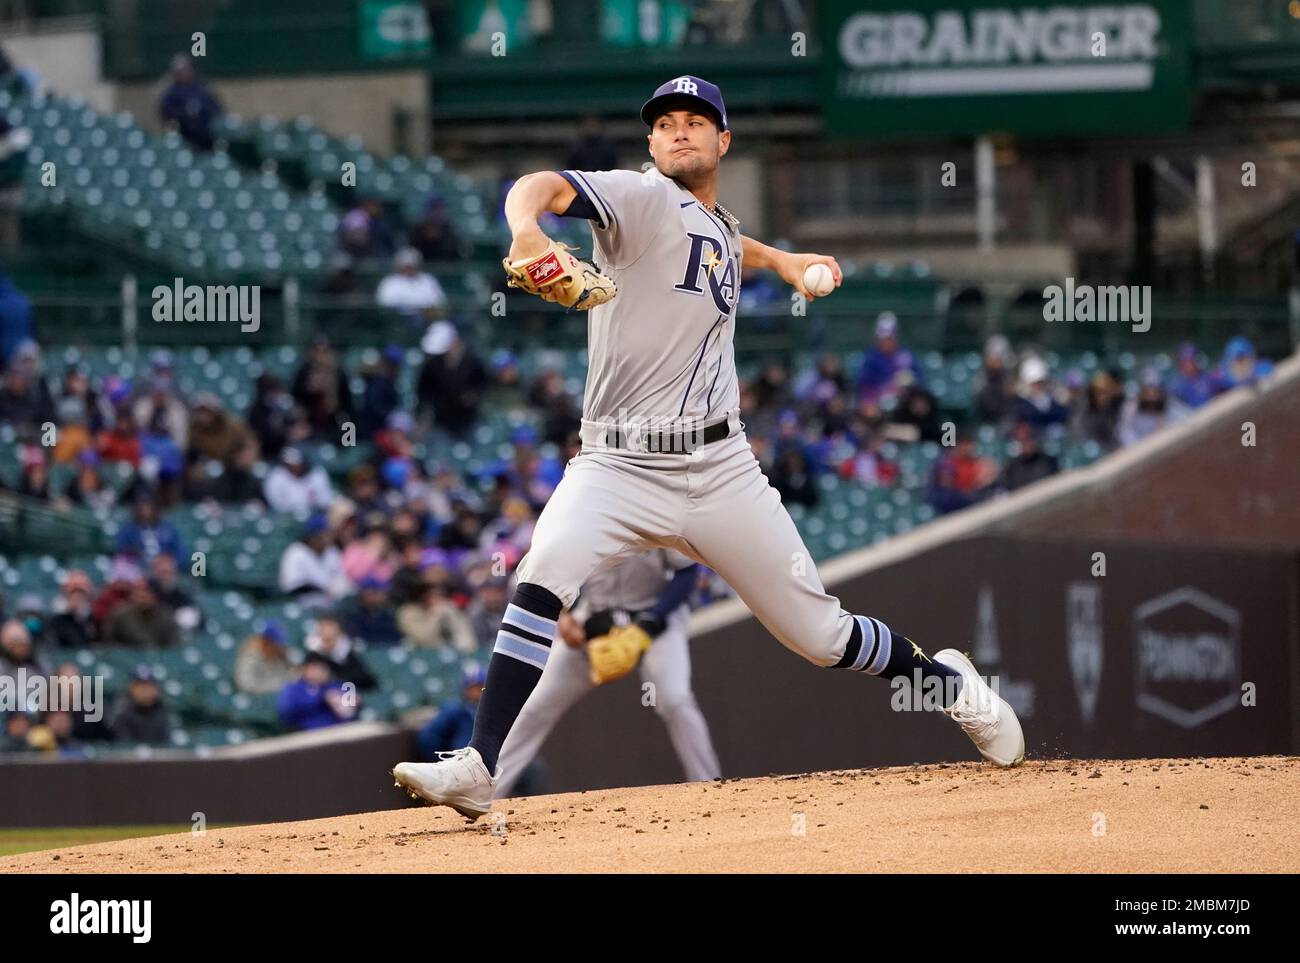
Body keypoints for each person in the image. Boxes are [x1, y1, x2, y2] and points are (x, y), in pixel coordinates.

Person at [391, 74, 1023, 821]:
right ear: (651, 145)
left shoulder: (712, 223)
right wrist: (527, 232)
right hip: (616, 464)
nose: (680, 130)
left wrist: (782, 260)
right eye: (665, 123)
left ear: (723, 140)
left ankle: (950, 685)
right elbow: (540, 187)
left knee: (819, 635)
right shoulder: (639, 196)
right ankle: (479, 763)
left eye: (697, 120)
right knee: (543, 568)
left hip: (719, 469)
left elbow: (724, 240)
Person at [494, 551, 720, 797]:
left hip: (655, 621)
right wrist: (563, 615)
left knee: (675, 699)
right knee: (534, 707)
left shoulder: (656, 514)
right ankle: (489, 794)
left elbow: (687, 572)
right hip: (594, 621)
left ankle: (710, 786)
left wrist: (651, 622)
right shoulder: (576, 516)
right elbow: (537, 572)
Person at [277, 654, 358, 731]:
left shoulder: (336, 685)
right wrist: (320, 698)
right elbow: (286, 713)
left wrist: (349, 702)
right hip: (309, 733)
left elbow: (350, 710)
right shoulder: (294, 688)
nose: (321, 672)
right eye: (315, 668)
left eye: (323, 668)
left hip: (342, 731)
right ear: (305, 670)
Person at [158, 55, 222, 151]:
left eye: (186, 69)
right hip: (185, 140)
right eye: (180, 71)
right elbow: (168, 116)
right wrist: (186, 113)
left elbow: (216, 109)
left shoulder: (202, 88)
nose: (184, 73)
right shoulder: (171, 94)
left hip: (208, 138)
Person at [376, 247, 448, 320]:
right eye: (406, 266)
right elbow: (385, 303)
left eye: (412, 265)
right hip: (400, 319)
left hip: (428, 317)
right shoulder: (389, 281)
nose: (409, 269)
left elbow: (439, 300)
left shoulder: (428, 279)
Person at [109, 667, 171, 745]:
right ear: (131, 688)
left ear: (156, 689)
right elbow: (124, 747)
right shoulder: (121, 713)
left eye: (149, 685)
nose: (145, 690)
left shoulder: (162, 712)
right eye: (140, 686)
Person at [235, 619, 298, 695]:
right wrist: (282, 685)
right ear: (266, 641)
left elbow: (293, 673)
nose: (280, 646)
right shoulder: (250, 658)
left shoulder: (280, 653)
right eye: (276, 643)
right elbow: (247, 685)